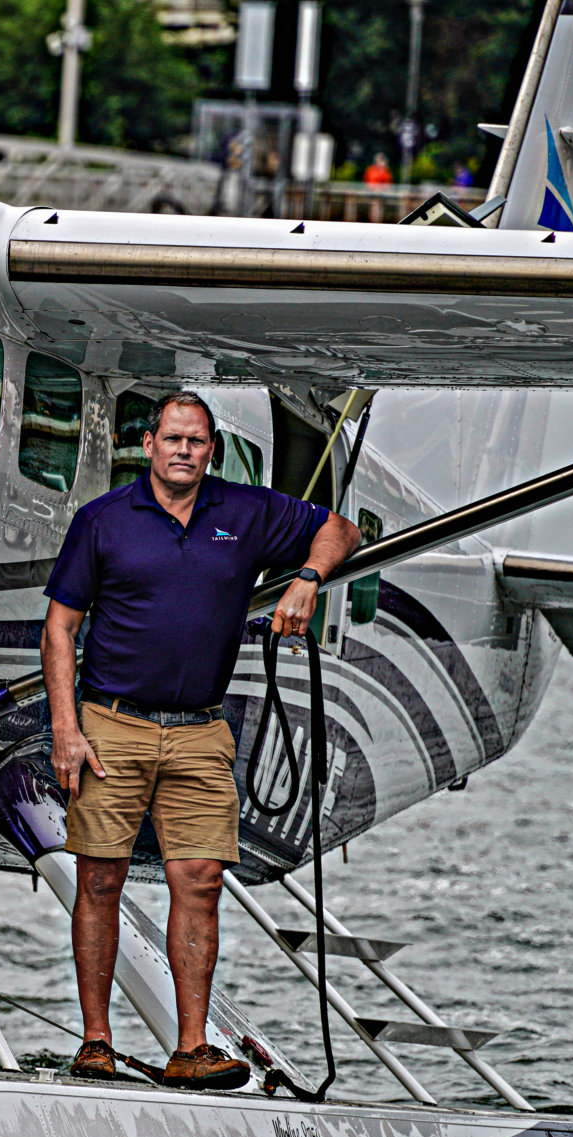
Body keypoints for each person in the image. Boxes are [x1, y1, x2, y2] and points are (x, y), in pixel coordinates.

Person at [39, 393, 360, 1089]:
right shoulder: (103, 521)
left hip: (200, 730)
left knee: (202, 880)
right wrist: (66, 728)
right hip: (112, 723)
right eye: (173, 438)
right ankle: (96, 1041)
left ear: (211, 449)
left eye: (198, 441)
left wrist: (308, 579)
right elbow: (59, 627)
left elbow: (340, 526)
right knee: (98, 877)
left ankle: (190, 1048)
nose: (185, 451)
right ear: (148, 443)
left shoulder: (243, 512)